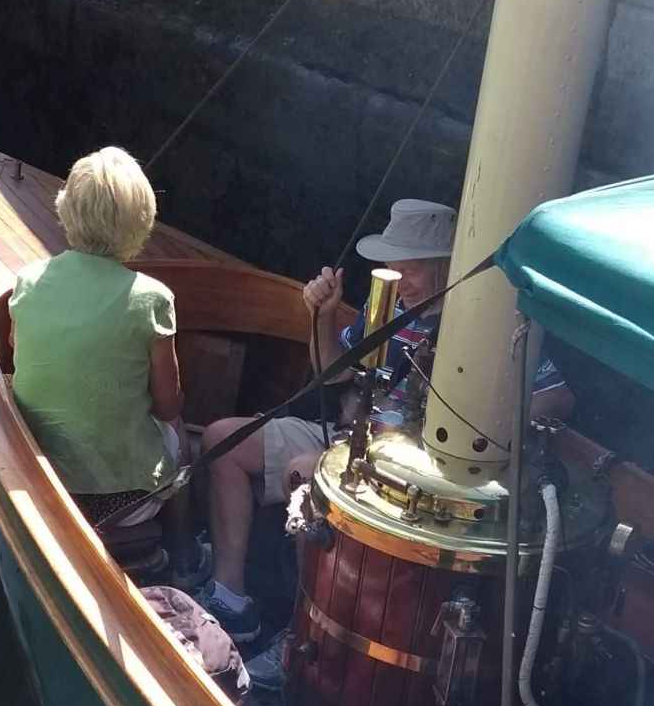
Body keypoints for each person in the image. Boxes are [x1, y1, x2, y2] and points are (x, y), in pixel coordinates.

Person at [196, 199, 572, 646]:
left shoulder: (485, 327)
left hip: (406, 465)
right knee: (223, 440)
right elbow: (334, 374)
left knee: (304, 471)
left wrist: (473, 423)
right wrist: (324, 315)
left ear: (445, 265)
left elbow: (558, 398)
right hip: (349, 431)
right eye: (394, 268)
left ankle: (303, 631)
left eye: (410, 269)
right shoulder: (389, 307)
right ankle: (230, 597)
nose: (401, 281)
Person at [8, 147, 196, 573]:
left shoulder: (28, 282)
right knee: (178, 430)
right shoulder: (151, 298)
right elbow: (168, 406)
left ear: (65, 210)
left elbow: (18, 350)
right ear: (142, 222)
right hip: (129, 500)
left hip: (45, 482)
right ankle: (186, 552)